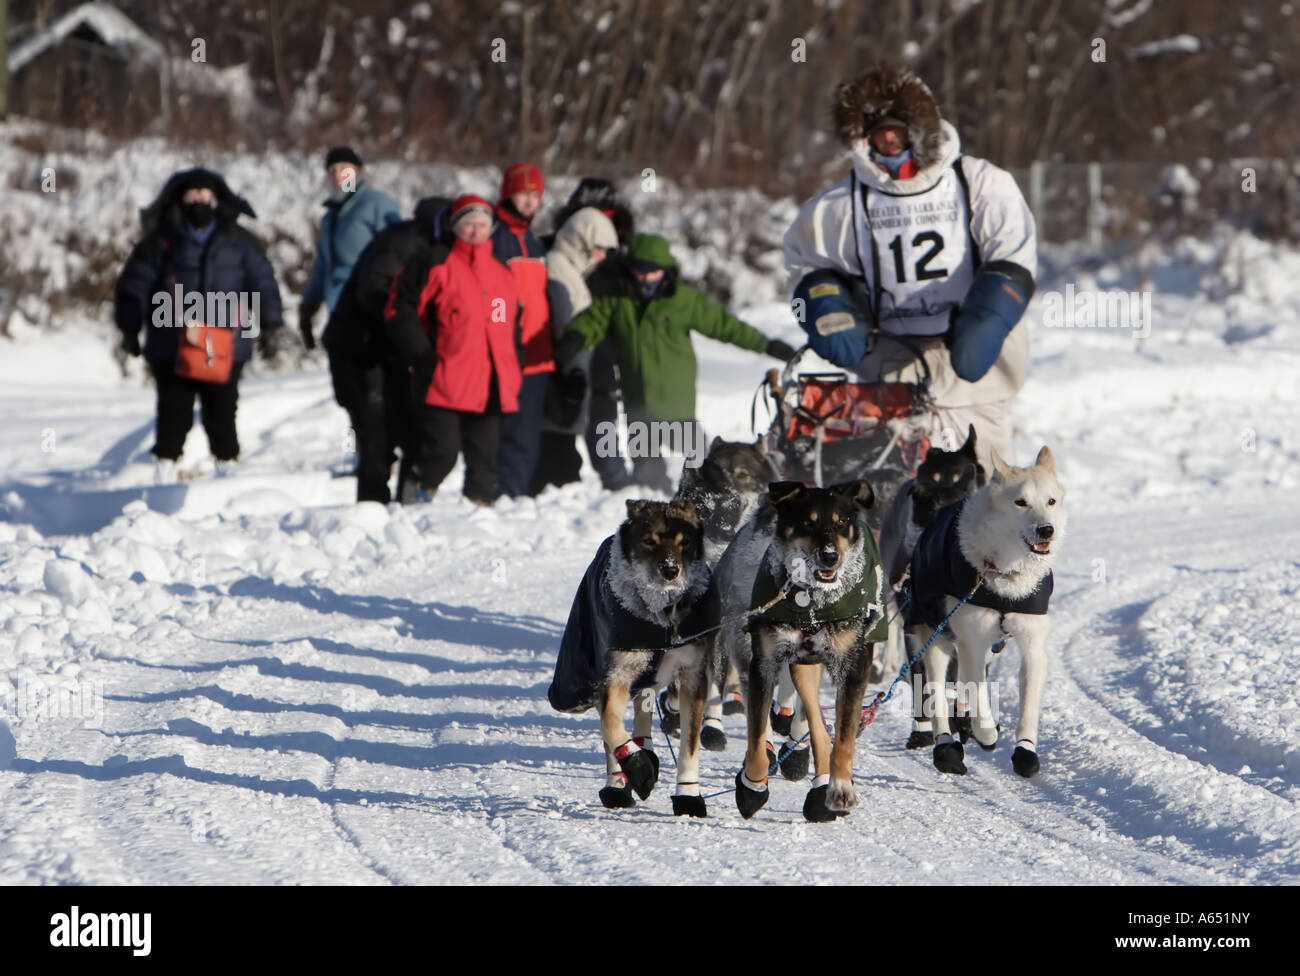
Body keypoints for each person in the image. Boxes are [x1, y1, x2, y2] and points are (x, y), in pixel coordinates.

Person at [783, 65, 1037, 470]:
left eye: (897, 128)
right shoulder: (841, 204)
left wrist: (992, 312)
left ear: (920, 127)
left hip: (973, 379)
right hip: (891, 376)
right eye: (877, 130)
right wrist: (823, 303)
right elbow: (803, 260)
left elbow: (1015, 251)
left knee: (990, 503)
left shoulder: (979, 183)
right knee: (900, 508)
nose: (887, 138)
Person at [556, 233, 796, 492]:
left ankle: (717, 504)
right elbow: (591, 321)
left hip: (676, 405)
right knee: (648, 476)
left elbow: (725, 326)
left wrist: (767, 345)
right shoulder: (618, 300)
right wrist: (574, 339)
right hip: (640, 406)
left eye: (653, 273)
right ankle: (662, 515)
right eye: (640, 272)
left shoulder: (682, 300)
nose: (646, 279)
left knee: (703, 466)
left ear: (665, 271)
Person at [115, 168, 283, 483]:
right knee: (172, 411)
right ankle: (163, 474)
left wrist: (270, 325)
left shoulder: (239, 241)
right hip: (171, 342)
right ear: (180, 199)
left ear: (217, 199)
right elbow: (134, 285)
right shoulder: (162, 240)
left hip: (225, 343)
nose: (199, 201)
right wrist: (128, 328)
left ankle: (227, 477)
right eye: (193, 195)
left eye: (205, 195)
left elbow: (263, 281)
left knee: (222, 412)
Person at [383, 194, 522, 504]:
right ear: (454, 227)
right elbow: (399, 309)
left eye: (483, 225)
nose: (476, 231)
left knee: (484, 461)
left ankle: (479, 516)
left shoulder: (501, 273)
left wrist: (514, 362)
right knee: (441, 454)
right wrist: (422, 355)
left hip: (491, 381)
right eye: (468, 225)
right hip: (443, 379)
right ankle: (411, 502)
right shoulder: (435, 262)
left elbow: (507, 321)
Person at [323, 196, 452, 502]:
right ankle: (372, 509)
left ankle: (404, 506)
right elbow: (375, 291)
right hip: (361, 349)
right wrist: (412, 329)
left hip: (389, 352)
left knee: (410, 431)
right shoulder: (406, 242)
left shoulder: (430, 247)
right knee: (375, 436)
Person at [534, 177, 638, 492]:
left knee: (602, 418)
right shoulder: (558, 253)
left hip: (601, 346)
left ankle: (616, 480)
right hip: (571, 345)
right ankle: (564, 478)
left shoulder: (618, 259)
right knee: (567, 415)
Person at [490, 161, 554, 498]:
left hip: (539, 354)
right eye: (522, 193)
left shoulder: (535, 243)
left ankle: (517, 495)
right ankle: (507, 499)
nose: (530, 201)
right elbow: (493, 301)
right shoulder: (497, 240)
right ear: (508, 194)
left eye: (535, 194)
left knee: (528, 435)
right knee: (510, 435)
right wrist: (503, 340)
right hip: (510, 355)